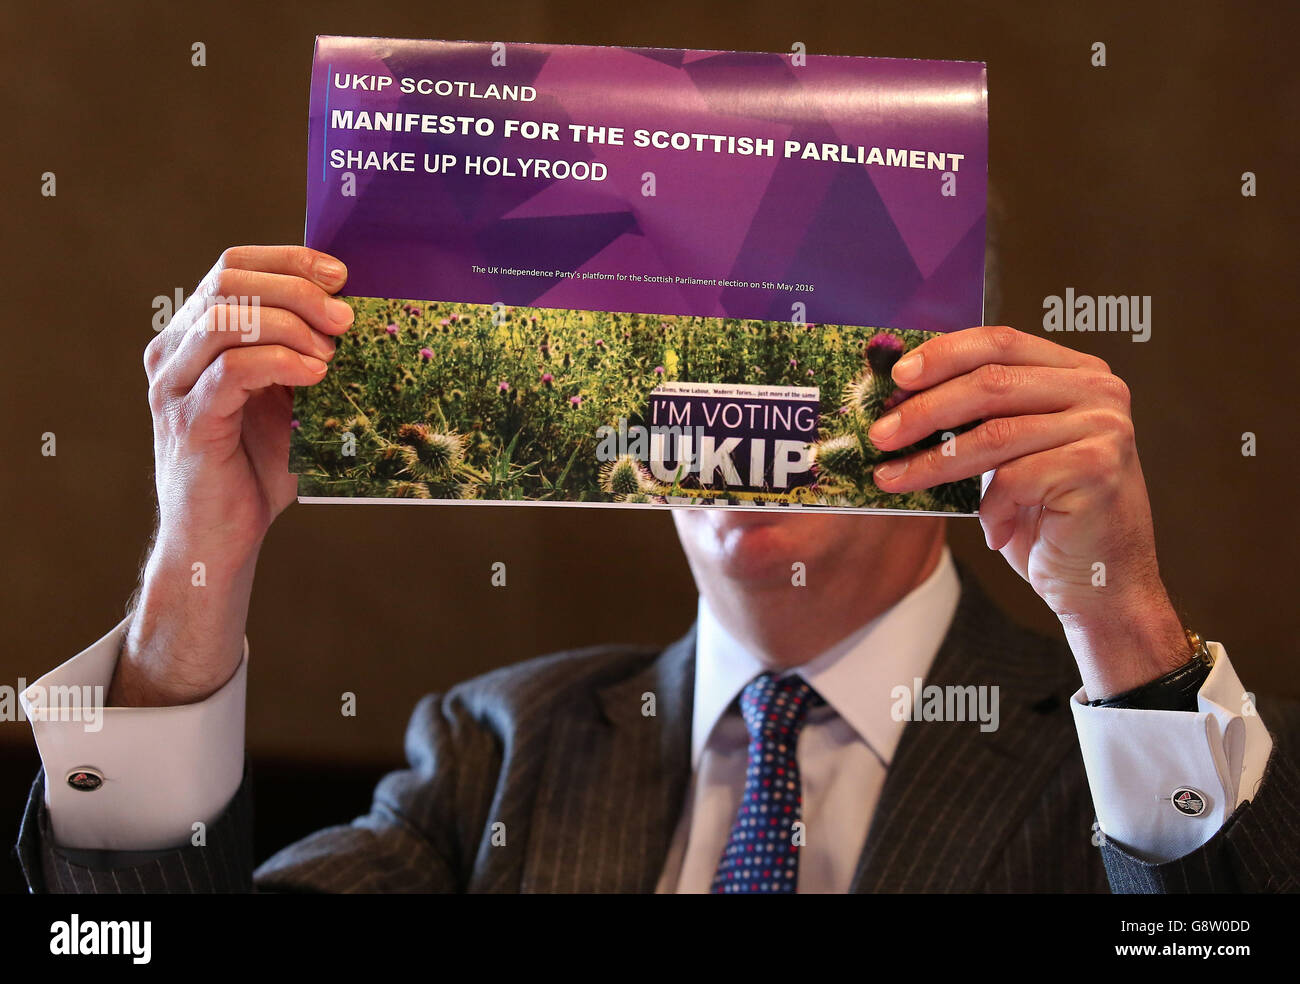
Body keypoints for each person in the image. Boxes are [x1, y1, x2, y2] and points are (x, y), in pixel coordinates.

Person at [16, 246, 1297, 893]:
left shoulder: (1129, 765)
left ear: (960, 386)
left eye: (805, 339)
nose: (747, 394)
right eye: (690, 338)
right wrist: (197, 551)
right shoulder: (491, 752)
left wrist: (1117, 616)